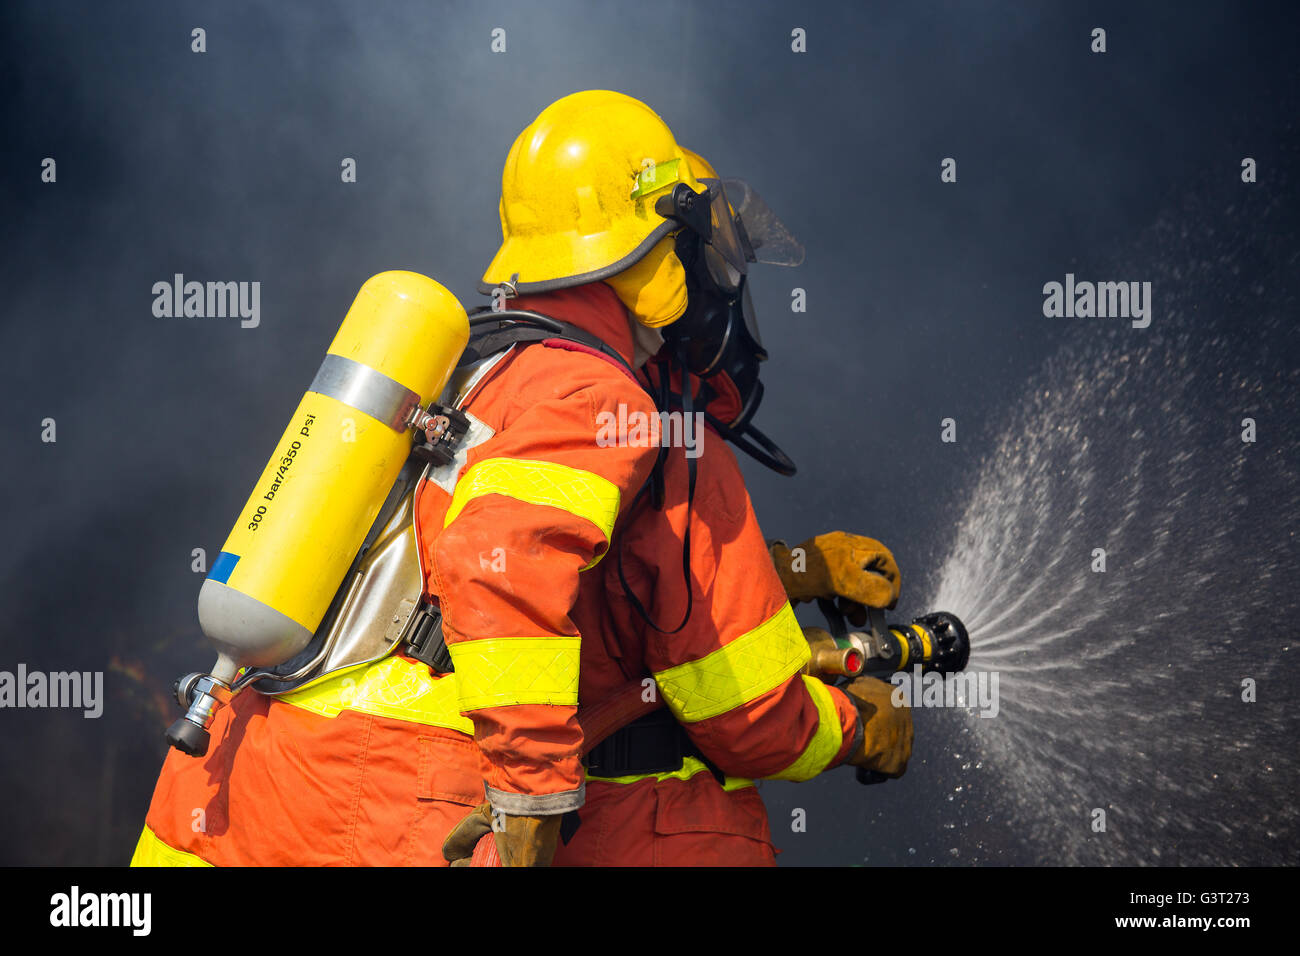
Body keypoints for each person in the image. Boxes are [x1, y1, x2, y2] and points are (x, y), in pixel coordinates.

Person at [130, 90, 911, 869]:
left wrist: (794, 571)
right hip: (394, 809)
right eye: (704, 254)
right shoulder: (601, 398)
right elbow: (499, 563)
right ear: (661, 249)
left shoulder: (472, 366)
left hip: (238, 792)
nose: (718, 285)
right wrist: (855, 727)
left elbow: (562, 578)